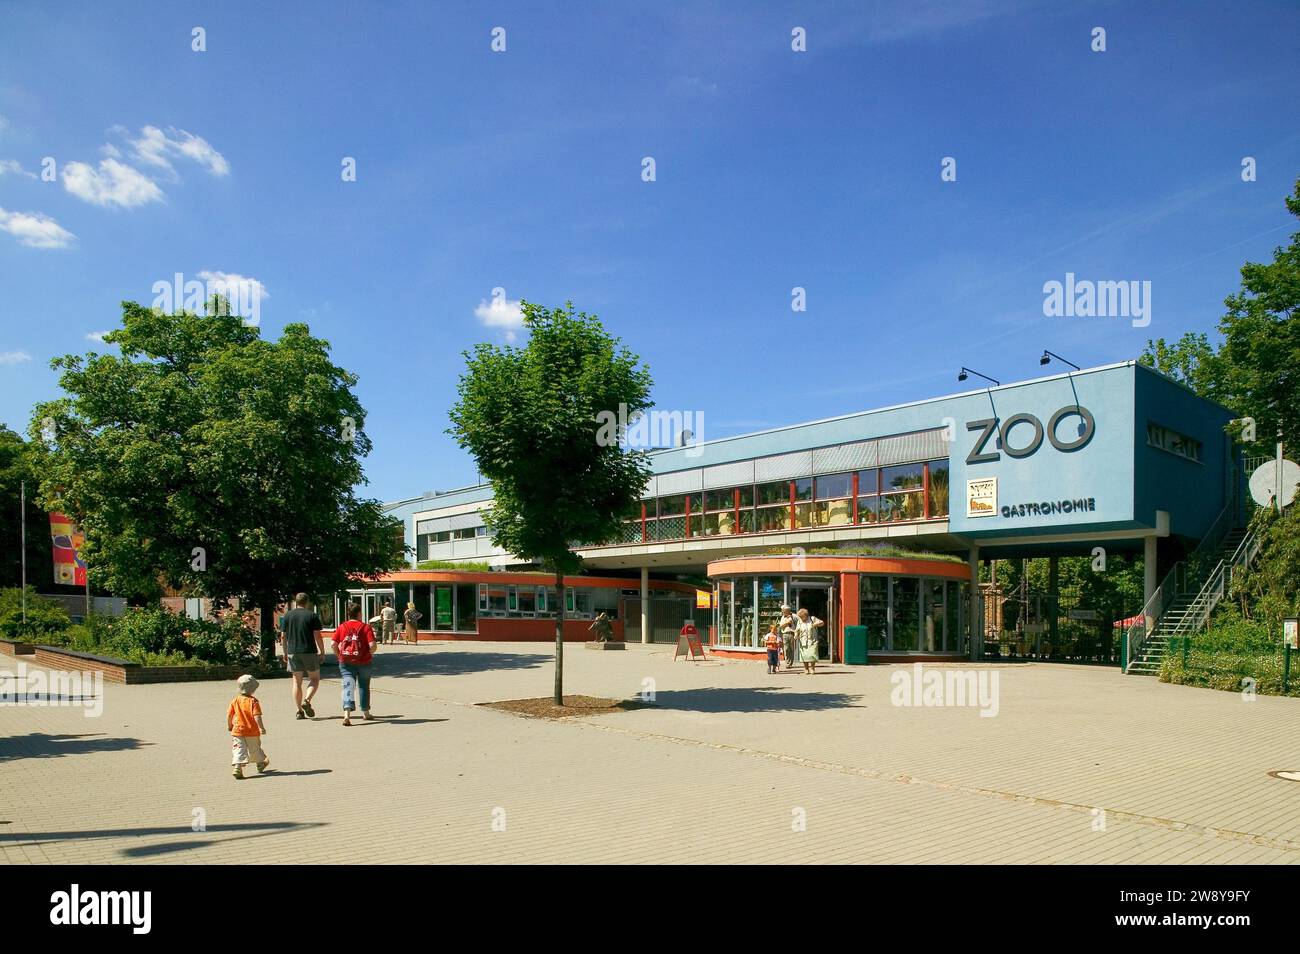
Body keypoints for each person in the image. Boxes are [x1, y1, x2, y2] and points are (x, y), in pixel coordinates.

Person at [279, 593, 324, 719]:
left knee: (296, 681)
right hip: (309, 650)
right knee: (314, 679)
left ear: (296, 602)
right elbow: (317, 635)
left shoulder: (288, 615)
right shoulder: (312, 615)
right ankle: (307, 700)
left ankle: (299, 711)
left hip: (293, 651)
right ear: (307, 602)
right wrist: (322, 651)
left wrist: (285, 652)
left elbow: (283, 636)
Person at [333, 602, 377, 725]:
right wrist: (369, 653)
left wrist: (338, 655)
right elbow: (372, 645)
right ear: (359, 614)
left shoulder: (342, 627)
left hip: (346, 661)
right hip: (364, 661)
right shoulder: (365, 627)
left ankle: (346, 714)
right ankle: (366, 712)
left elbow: (333, 644)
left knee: (348, 685)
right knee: (363, 686)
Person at [227, 674, 269, 779]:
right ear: (253, 689)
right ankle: (260, 763)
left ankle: (237, 767)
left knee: (238, 749)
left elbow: (229, 715)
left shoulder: (235, 700)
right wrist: (261, 727)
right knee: (254, 749)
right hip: (252, 731)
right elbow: (257, 716)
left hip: (237, 730)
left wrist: (230, 725)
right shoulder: (253, 701)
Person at [796, 607, 824, 675]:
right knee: (804, 655)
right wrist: (796, 635)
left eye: (802, 617)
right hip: (803, 640)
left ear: (805, 615)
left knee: (812, 655)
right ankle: (806, 669)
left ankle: (812, 668)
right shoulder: (799, 621)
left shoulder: (812, 618)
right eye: (800, 617)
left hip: (812, 640)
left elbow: (822, 623)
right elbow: (797, 630)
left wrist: (816, 624)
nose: (801, 618)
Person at [778, 604, 798, 670]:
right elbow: (780, 626)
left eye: (783, 611)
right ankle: (787, 663)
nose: (782, 612)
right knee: (786, 649)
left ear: (788, 610)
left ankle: (790, 663)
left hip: (792, 633)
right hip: (785, 634)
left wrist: (797, 632)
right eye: (782, 611)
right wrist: (787, 623)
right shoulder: (782, 617)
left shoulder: (794, 616)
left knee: (792, 649)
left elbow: (799, 623)